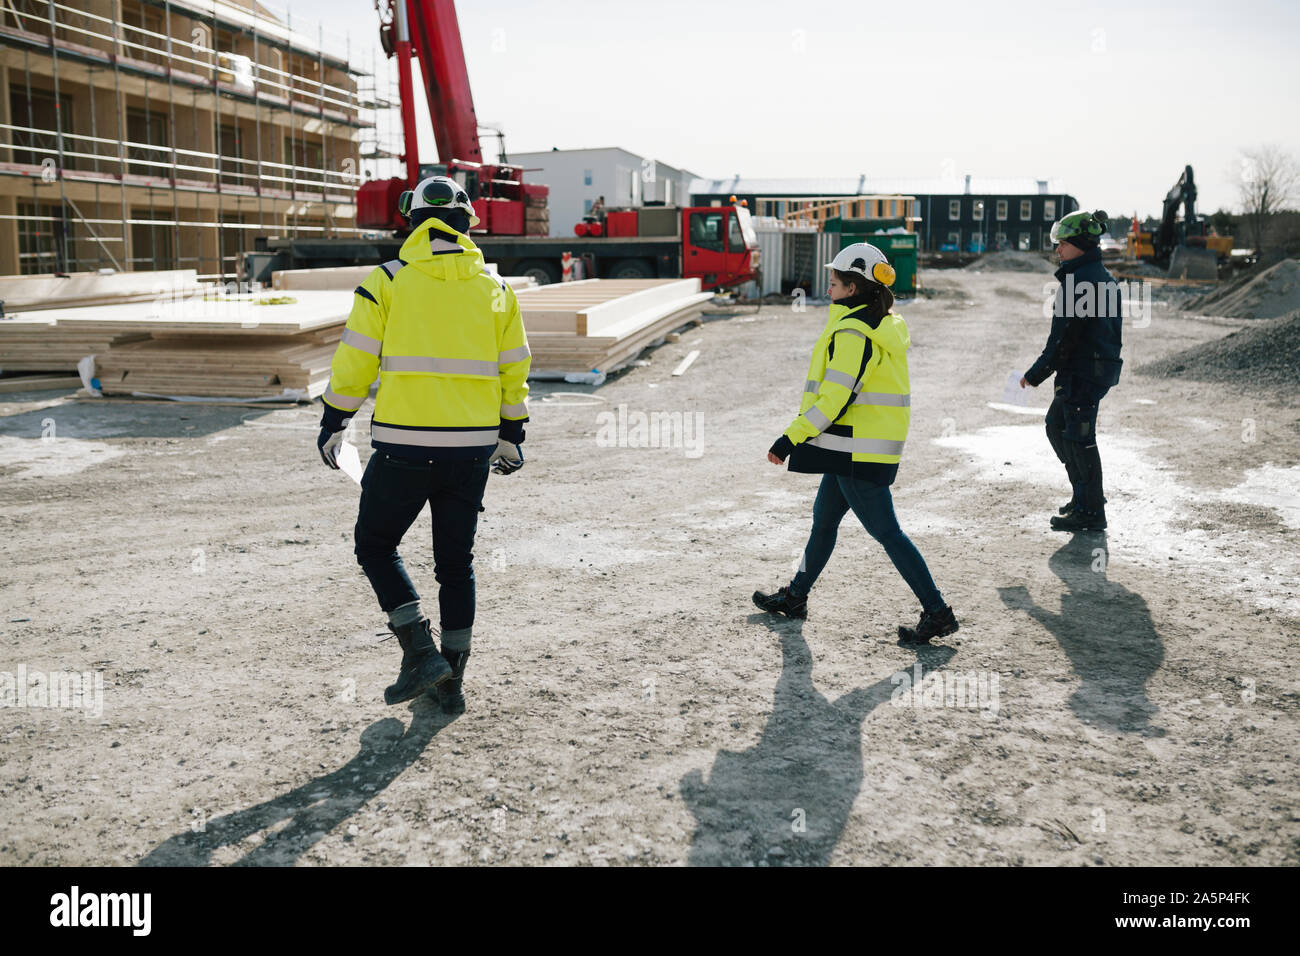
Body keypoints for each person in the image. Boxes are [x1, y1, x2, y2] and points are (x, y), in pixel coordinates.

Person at [316, 175, 531, 710]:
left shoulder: (387, 280)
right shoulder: (496, 290)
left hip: (403, 449)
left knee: (375, 545)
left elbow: (356, 361)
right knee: (455, 564)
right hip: (473, 451)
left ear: (410, 220)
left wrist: (334, 419)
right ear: (467, 224)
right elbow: (515, 368)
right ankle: (451, 682)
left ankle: (419, 653)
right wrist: (512, 434)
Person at [753, 243, 958, 645]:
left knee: (888, 533)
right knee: (824, 520)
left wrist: (789, 438)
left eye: (833, 283)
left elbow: (834, 398)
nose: (826, 290)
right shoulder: (880, 322)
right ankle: (796, 597)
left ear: (852, 288)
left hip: (857, 450)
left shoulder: (853, 332)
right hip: (854, 444)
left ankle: (938, 612)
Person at [1019, 209, 1123, 532]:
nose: (1057, 250)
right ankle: (1085, 497)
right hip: (1094, 371)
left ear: (1079, 244)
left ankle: (1091, 511)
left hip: (1083, 374)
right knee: (1057, 425)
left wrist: (1034, 374)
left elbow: (1061, 341)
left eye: (1062, 243)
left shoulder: (1080, 282)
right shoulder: (1099, 276)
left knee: (1079, 439)